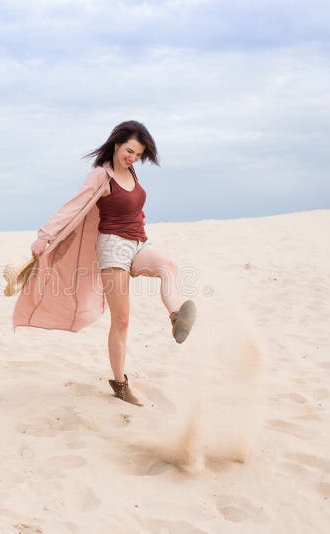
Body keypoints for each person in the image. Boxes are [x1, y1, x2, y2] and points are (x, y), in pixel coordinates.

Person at [13, 120, 196, 407]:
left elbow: (134, 206)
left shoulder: (131, 171)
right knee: (122, 320)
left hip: (139, 243)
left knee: (167, 265)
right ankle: (120, 384)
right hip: (112, 249)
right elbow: (72, 207)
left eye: (138, 155)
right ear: (116, 144)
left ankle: (177, 317)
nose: (133, 158)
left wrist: (139, 224)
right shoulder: (101, 176)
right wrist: (44, 237)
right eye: (129, 151)